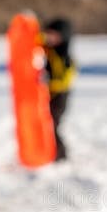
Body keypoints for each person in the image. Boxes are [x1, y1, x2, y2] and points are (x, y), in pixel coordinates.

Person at [40, 18, 76, 160]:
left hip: (60, 96)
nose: (49, 37)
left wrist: (50, 83)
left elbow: (66, 80)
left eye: (53, 35)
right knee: (46, 123)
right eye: (48, 34)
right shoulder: (49, 49)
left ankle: (61, 155)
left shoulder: (65, 57)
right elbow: (38, 40)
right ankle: (48, 150)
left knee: (52, 125)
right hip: (49, 94)